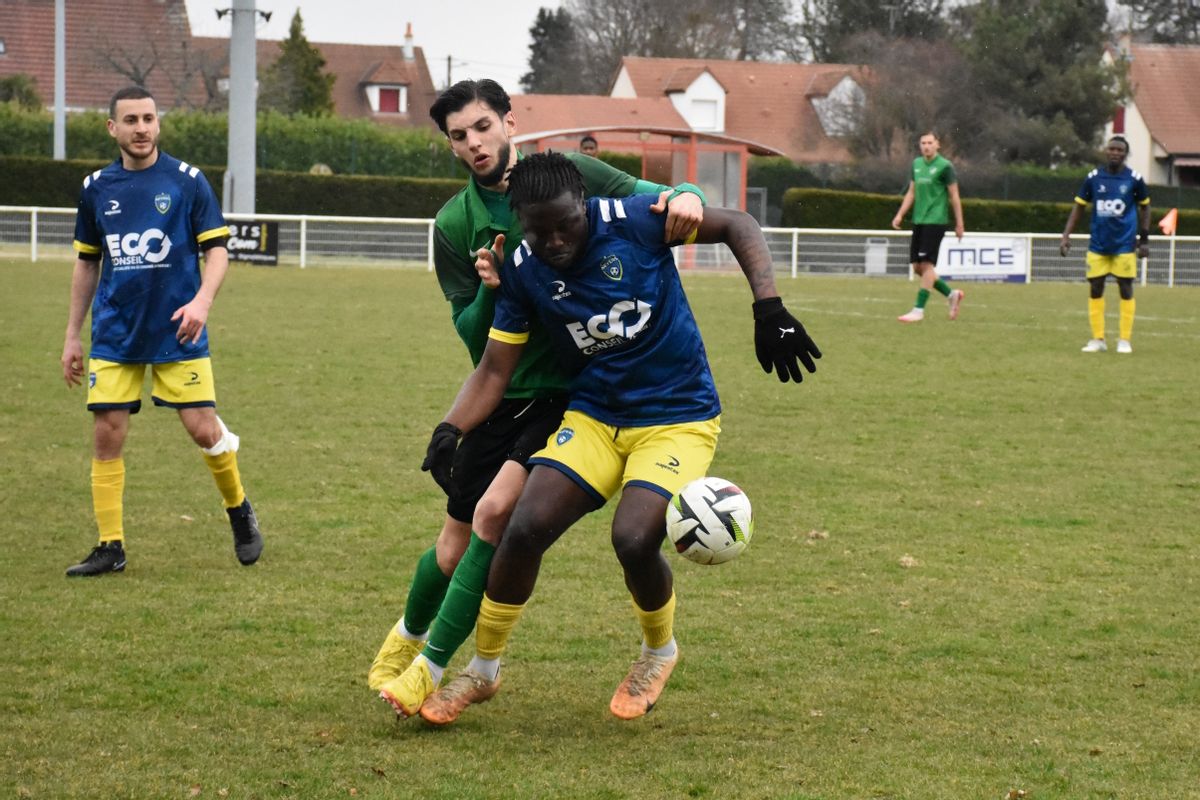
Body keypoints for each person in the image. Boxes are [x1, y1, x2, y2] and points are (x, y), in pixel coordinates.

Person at [380, 152, 821, 725]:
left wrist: (770, 308)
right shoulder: (521, 268)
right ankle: (482, 672)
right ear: (520, 222)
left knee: (634, 538)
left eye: (567, 223)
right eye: (539, 231)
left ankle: (657, 652)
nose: (556, 239)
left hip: (677, 417)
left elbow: (738, 223)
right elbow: (494, 369)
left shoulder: (636, 221)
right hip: (594, 417)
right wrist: (450, 427)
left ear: (583, 205)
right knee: (522, 528)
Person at [366, 80, 707, 696]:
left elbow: (661, 202)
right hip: (501, 389)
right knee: (452, 544)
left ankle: (441, 669)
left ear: (509, 122)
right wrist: (494, 290)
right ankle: (405, 641)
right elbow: (478, 345)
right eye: (459, 136)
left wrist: (687, 190)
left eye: (482, 127)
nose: (474, 143)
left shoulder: (572, 174)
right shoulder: (453, 224)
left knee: (499, 514)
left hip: (573, 394)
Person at [61, 86, 262, 577]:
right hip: (115, 331)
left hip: (179, 328)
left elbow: (216, 251)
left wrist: (202, 301)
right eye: (130, 120)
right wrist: (72, 333)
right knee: (107, 433)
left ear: (158, 123)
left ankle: (239, 510)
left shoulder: (187, 181)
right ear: (113, 128)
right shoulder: (95, 189)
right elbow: (88, 264)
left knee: (202, 430)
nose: (141, 128)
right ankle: (111, 546)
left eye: (148, 118)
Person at [1059, 135, 1150, 354]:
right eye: (1112, 149)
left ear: (1125, 154)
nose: (1115, 153)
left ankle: (1124, 340)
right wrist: (1066, 235)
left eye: (1120, 150)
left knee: (1126, 289)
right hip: (1098, 244)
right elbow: (1079, 206)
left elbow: (1145, 208)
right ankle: (1098, 339)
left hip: (1124, 245)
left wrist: (1144, 240)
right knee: (1095, 288)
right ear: (1106, 151)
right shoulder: (1094, 178)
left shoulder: (1134, 179)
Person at [891, 131, 966, 323]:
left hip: (936, 221)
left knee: (927, 265)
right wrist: (900, 214)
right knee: (917, 267)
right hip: (919, 220)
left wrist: (960, 223)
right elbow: (912, 192)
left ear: (937, 145)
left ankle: (918, 310)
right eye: (923, 143)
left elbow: (954, 196)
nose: (926, 146)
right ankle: (952, 294)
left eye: (930, 142)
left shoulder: (945, 167)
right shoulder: (916, 164)